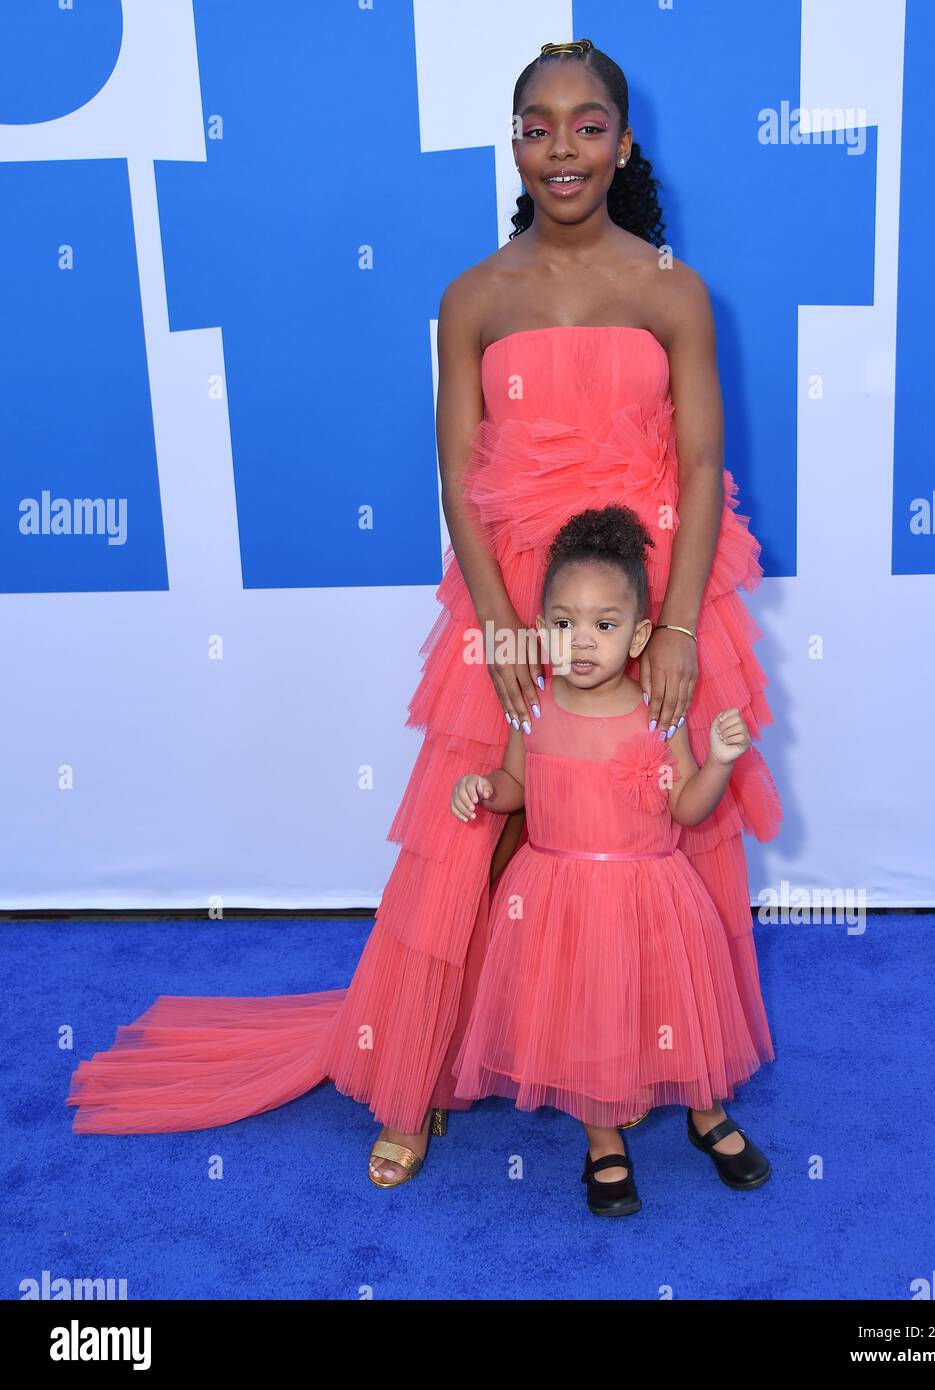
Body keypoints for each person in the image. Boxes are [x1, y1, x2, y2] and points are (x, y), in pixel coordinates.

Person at [65, 38, 782, 1191]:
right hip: (509, 601)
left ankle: (679, 1072)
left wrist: (682, 625)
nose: (564, 147)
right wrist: (503, 628)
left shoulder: (673, 291)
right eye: (539, 125)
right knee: (473, 832)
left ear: (623, 143)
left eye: (588, 124)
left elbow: (702, 465)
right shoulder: (474, 297)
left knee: (665, 827)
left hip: (650, 601)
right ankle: (413, 1072)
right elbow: (457, 472)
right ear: (515, 145)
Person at [448, 505, 772, 1214]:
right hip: (556, 899)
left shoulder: (657, 712)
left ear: (641, 633)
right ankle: (603, 1144)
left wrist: (717, 763)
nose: (581, 642)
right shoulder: (529, 710)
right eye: (562, 623)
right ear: (540, 631)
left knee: (673, 1007)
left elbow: (687, 807)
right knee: (583, 1019)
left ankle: (706, 1114)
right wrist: (482, 788)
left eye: (604, 624)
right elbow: (515, 788)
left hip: (649, 892)